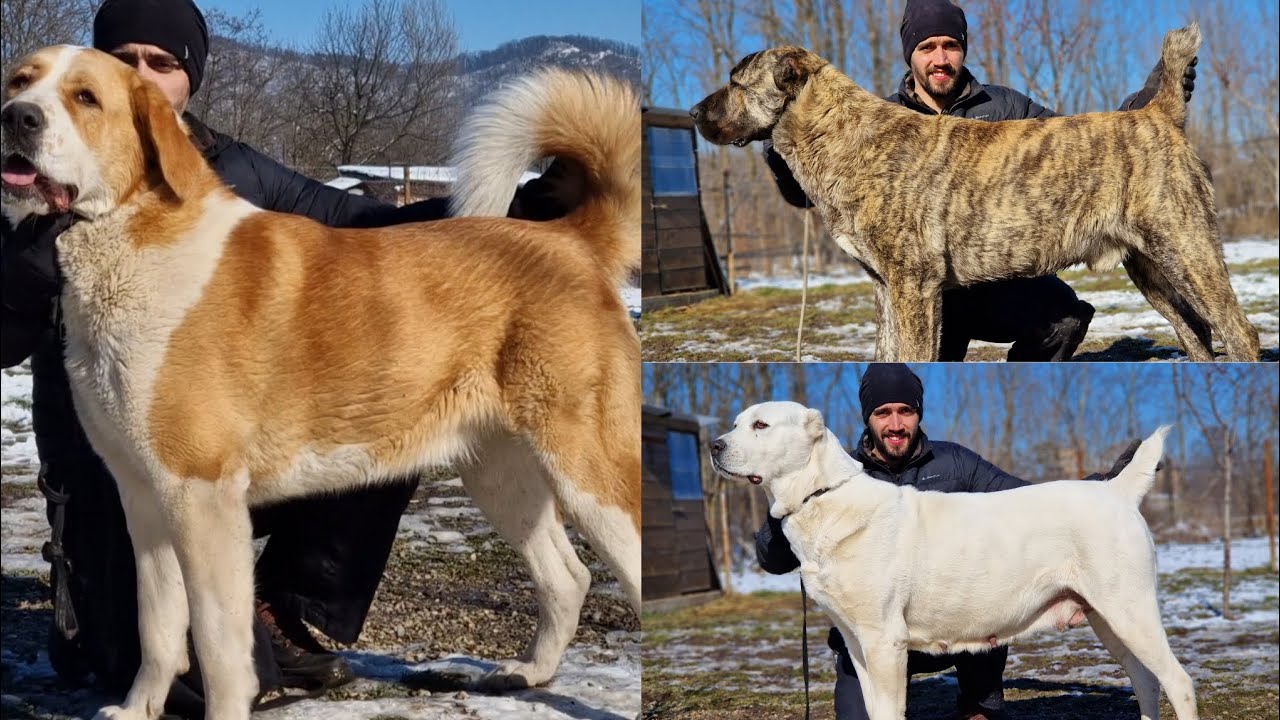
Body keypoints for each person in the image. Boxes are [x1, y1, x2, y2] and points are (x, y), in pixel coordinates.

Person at [0, 0, 581, 714]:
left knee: (383, 407)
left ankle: (293, 617)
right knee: (117, 659)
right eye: (120, 58)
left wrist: (518, 209)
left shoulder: (234, 169)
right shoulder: (22, 191)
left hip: (220, 459)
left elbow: (364, 226)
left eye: (161, 61)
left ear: (186, 80)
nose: (138, 73)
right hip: (95, 487)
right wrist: (21, 274)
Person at [764, 0, 1198, 362]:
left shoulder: (1004, 104)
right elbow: (807, 196)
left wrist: (1149, 103)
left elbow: (1081, 150)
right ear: (910, 55)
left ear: (963, 49)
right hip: (925, 289)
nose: (940, 58)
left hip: (999, 279)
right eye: (927, 46)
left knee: (1064, 319)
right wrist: (784, 146)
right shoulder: (880, 121)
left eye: (950, 45)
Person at [753, 363, 1143, 720]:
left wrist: (1102, 489)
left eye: (905, 411)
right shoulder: (837, 478)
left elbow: (1027, 502)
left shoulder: (954, 462)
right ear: (867, 419)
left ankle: (979, 705)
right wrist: (783, 512)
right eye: (882, 412)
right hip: (870, 635)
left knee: (985, 590)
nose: (895, 424)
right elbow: (773, 560)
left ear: (919, 414)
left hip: (954, 623)